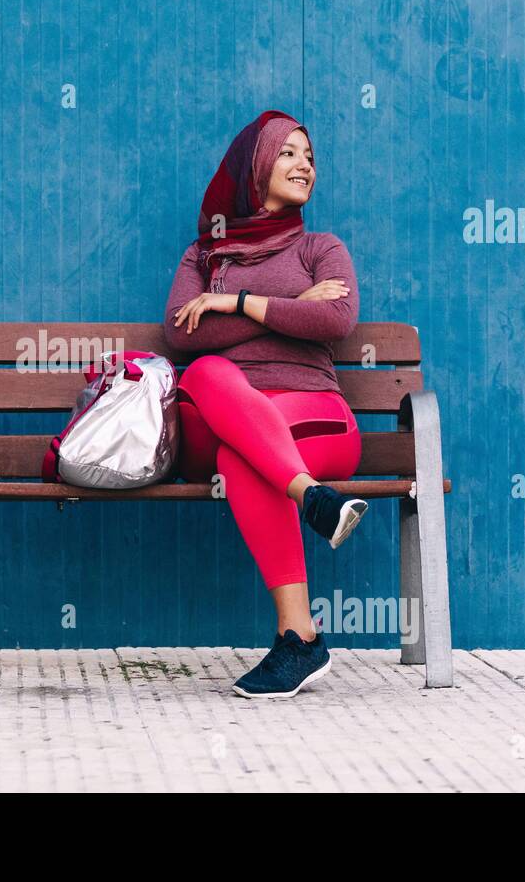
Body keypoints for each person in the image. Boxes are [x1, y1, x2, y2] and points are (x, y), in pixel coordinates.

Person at [164, 110, 365, 699]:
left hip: (315, 417)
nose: (304, 165)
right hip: (220, 413)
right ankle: (312, 499)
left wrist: (238, 304)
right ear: (256, 165)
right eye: (288, 153)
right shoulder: (205, 257)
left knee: (243, 457)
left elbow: (336, 316)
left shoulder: (320, 248)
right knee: (206, 371)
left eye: (310, 156)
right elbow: (183, 334)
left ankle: (298, 638)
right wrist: (288, 306)